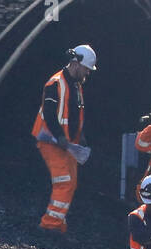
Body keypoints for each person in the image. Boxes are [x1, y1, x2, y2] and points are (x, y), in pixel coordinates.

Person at [31, 44, 97, 233]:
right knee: (64, 182)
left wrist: (79, 136)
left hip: (67, 143)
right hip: (52, 141)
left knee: (71, 182)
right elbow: (50, 114)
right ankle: (49, 226)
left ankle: (58, 224)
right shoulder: (55, 83)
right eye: (86, 69)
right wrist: (60, 136)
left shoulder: (75, 85)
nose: (88, 73)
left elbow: (74, 114)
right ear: (76, 64)